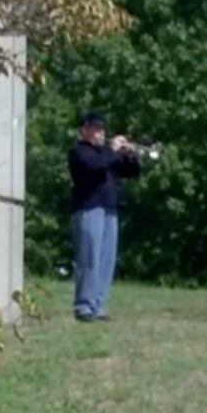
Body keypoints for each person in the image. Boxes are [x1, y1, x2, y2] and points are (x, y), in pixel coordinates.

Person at [68, 111, 141, 322]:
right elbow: (95, 166)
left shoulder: (107, 154)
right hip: (88, 208)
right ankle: (84, 306)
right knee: (89, 258)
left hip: (110, 209)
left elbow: (132, 172)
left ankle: (98, 305)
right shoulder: (80, 151)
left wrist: (130, 155)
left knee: (106, 260)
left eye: (102, 129)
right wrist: (112, 149)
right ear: (84, 130)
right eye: (96, 129)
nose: (100, 133)